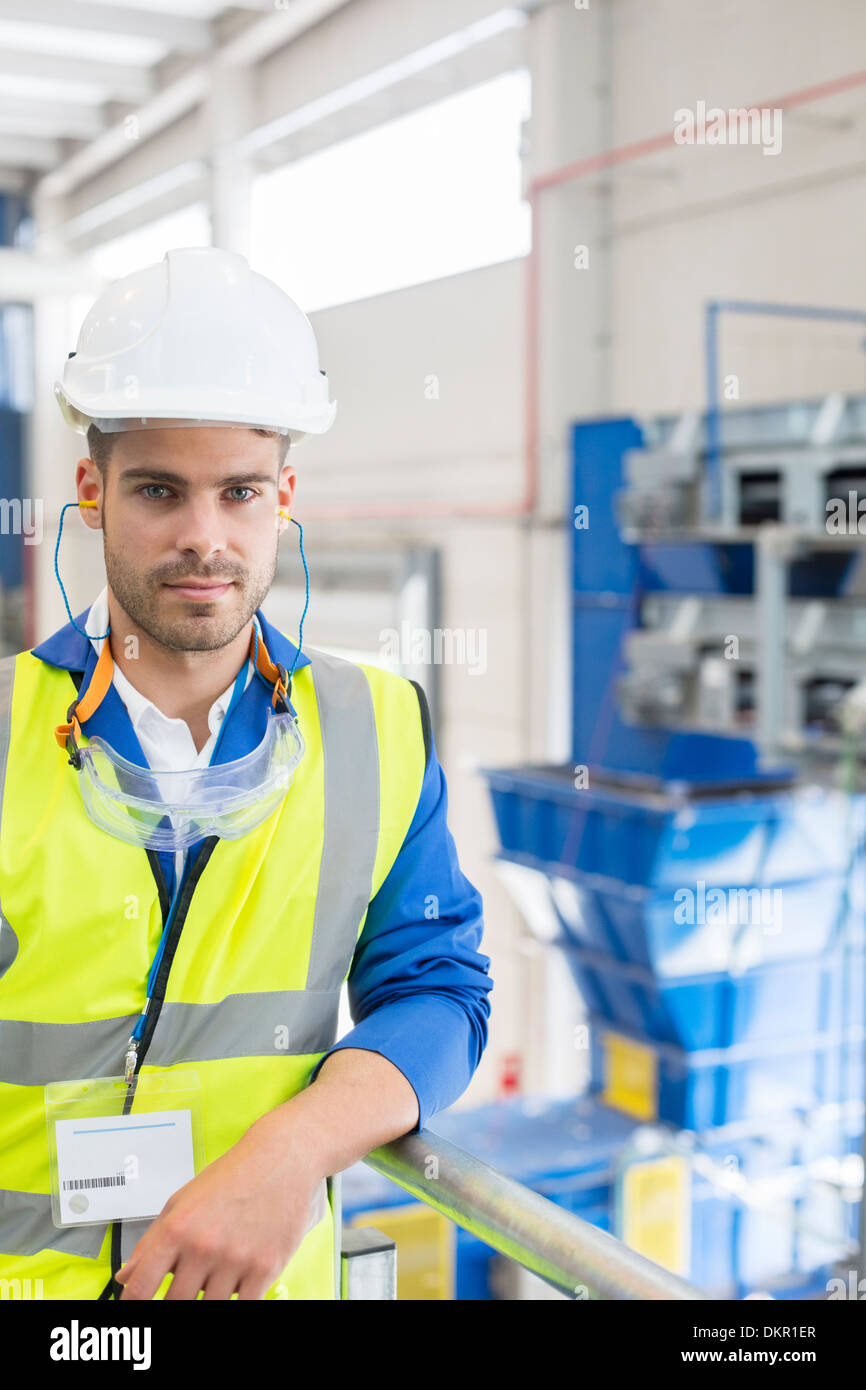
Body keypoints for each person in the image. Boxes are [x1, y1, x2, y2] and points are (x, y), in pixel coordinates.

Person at [0, 246, 492, 1301]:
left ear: (285, 494)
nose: (203, 538)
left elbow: (438, 991)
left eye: (238, 492)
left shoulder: (376, 727)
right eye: (158, 491)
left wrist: (291, 1150)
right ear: (91, 491)